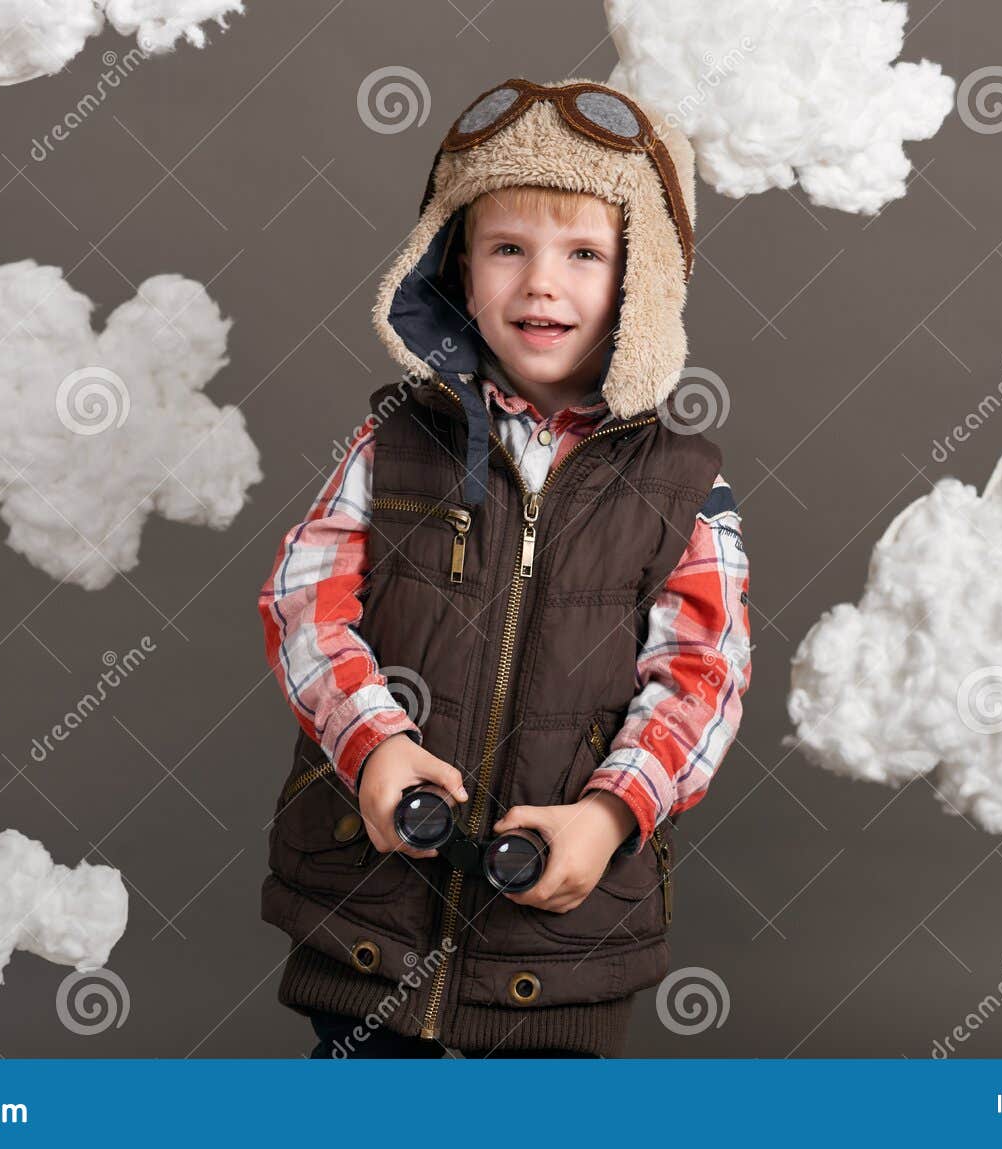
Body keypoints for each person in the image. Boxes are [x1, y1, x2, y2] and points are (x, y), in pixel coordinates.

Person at [258, 76, 751, 1058]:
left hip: (556, 927)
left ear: (640, 279)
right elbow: (302, 603)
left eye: (583, 254)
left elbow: (705, 676)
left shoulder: (682, 485)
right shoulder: (393, 443)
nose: (540, 284)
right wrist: (374, 746)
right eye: (507, 248)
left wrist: (613, 816)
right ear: (454, 264)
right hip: (373, 907)